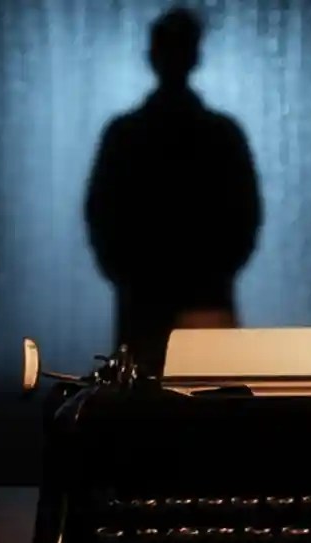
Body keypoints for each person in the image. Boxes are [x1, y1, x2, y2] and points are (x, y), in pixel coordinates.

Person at [85, 8, 262, 374]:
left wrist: (131, 276)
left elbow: (101, 215)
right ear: (196, 56)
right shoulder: (222, 135)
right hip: (205, 297)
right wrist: (213, 272)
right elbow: (246, 218)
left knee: (143, 408)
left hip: (143, 301)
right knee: (210, 401)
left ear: (151, 56)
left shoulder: (125, 135)